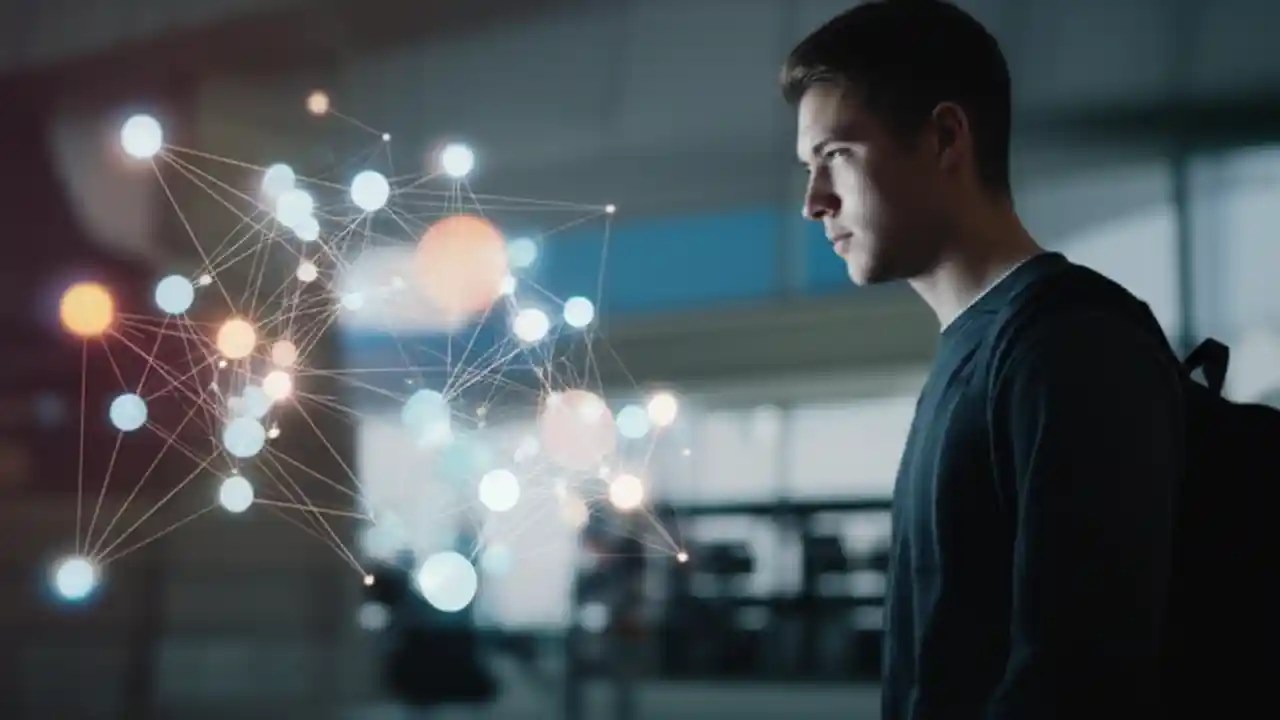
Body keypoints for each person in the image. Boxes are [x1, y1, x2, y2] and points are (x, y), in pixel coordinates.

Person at [780, 2, 1183, 718]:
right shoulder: (977, 353)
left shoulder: (1069, 345)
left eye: (837, 154)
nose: (814, 201)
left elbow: (1082, 677)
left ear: (943, 137)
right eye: (810, 166)